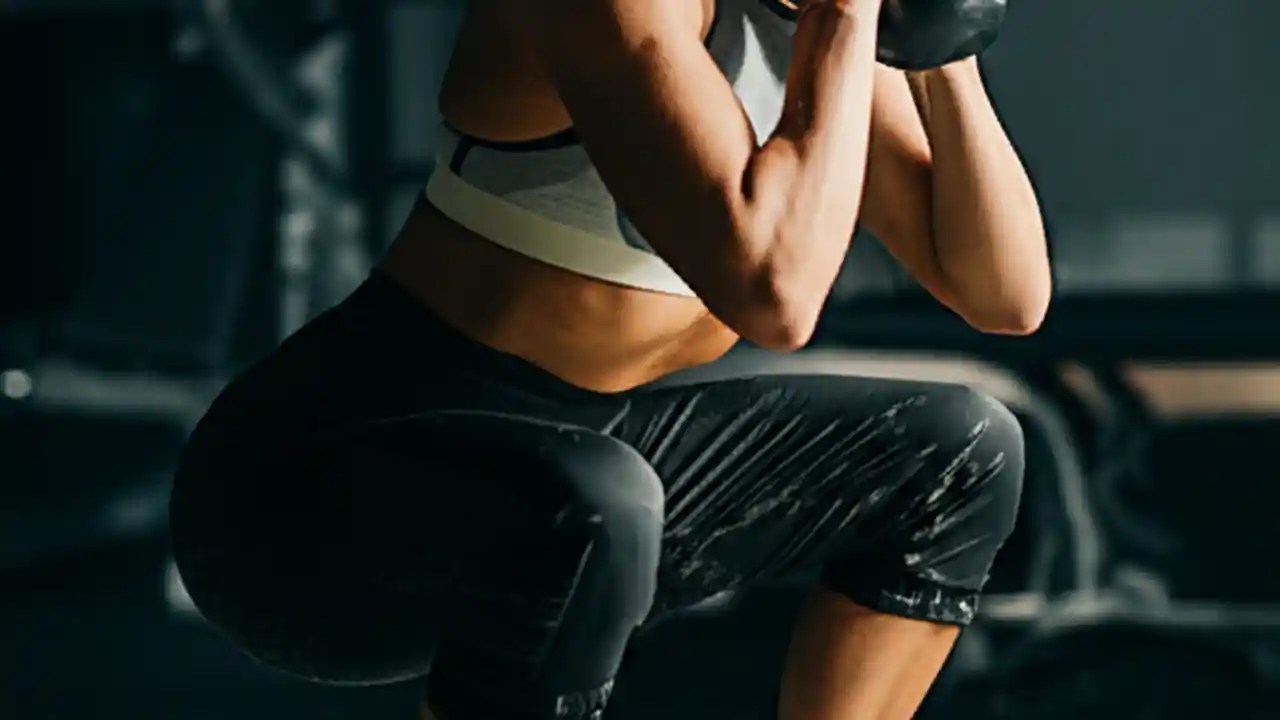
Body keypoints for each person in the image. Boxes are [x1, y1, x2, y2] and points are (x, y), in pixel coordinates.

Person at [168, 0, 1051, 718]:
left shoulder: (815, 26)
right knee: (595, 502)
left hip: (577, 485)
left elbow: (1006, 294)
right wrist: (854, 15)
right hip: (309, 505)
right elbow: (776, 294)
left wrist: (941, 49)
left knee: (965, 450)